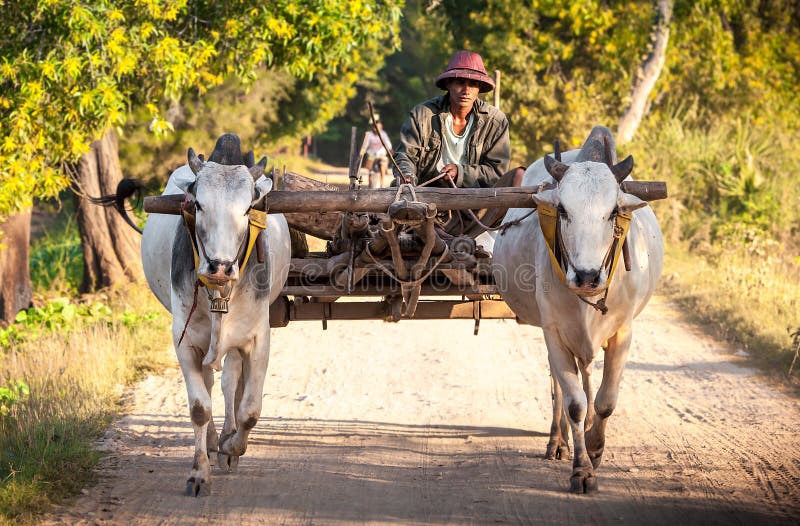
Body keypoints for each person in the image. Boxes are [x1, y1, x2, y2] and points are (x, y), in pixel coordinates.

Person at [393, 50, 513, 188]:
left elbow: (497, 172)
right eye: (460, 82)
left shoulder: (495, 121)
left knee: (518, 175)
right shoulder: (422, 115)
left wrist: (460, 173)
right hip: (425, 193)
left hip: (474, 198)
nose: (466, 90)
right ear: (448, 84)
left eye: (473, 84)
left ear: (479, 87)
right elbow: (405, 156)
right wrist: (407, 176)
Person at [359, 115, 392, 188]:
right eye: (376, 127)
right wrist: (362, 152)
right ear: (373, 128)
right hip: (371, 153)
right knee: (370, 167)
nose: (377, 129)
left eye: (379, 128)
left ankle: (381, 183)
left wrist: (385, 152)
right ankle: (370, 184)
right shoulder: (369, 134)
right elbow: (365, 145)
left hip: (381, 154)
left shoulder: (383, 134)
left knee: (383, 163)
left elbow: (389, 145)